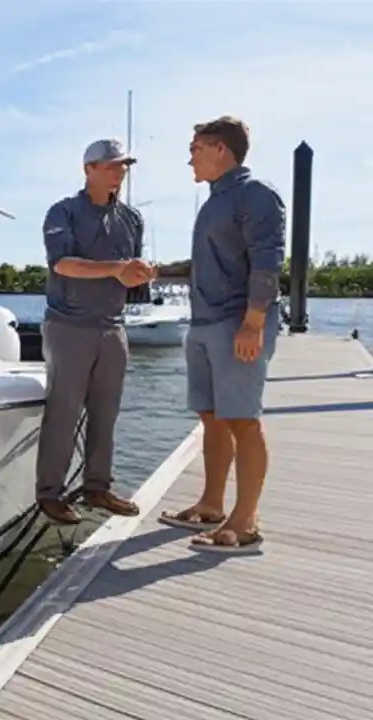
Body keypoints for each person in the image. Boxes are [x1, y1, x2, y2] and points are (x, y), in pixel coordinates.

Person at [156, 116, 285, 552]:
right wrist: (156, 272)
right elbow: (209, 266)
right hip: (205, 322)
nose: (189, 157)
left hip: (236, 322)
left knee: (242, 420)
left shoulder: (255, 194)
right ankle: (212, 504)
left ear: (220, 150)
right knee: (211, 416)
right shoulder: (214, 201)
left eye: (195, 148)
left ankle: (245, 522)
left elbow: (267, 262)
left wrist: (253, 323)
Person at [35, 138, 156, 525]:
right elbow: (63, 265)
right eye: (112, 165)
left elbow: (129, 274)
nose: (119, 172)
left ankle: (98, 488)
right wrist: (118, 267)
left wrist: (140, 273)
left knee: (107, 413)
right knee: (64, 412)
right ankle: (49, 494)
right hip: (69, 326)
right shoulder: (63, 212)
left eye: (123, 166)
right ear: (88, 169)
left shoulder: (133, 219)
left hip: (112, 327)